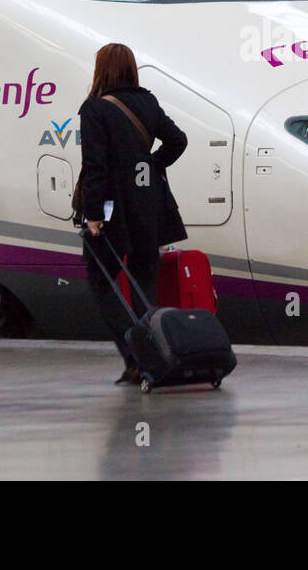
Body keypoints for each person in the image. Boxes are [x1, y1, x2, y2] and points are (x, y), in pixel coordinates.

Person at [75, 43, 188, 384]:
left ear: (101, 69)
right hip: (148, 206)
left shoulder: (94, 108)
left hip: (111, 210)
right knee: (144, 284)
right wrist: (151, 165)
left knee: (102, 282)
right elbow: (178, 141)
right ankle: (154, 358)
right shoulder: (148, 101)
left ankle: (136, 356)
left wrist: (93, 213)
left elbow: (94, 165)